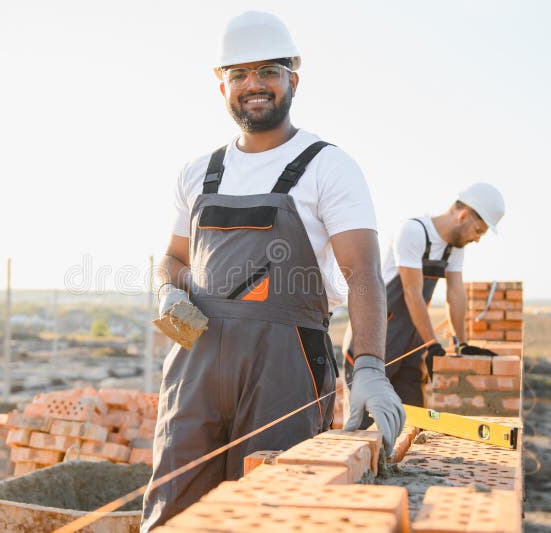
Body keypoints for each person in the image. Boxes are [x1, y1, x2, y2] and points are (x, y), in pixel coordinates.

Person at [142, 11, 404, 530]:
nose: (253, 85)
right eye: (238, 74)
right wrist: (167, 293)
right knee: (172, 509)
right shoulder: (199, 172)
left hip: (284, 367)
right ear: (222, 85)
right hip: (195, 365)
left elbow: (363, 274)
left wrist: (369, 366)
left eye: (267, 71)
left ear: (292, 80)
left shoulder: (328, 165)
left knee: (273, 513)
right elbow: (171, 260)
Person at [343, 183, 506, 416]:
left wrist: (462, 343)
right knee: (367, 420)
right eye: (478, 231)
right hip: (376, 339)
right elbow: (412, 294)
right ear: (463, 215)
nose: (478, 239)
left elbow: (456, 293)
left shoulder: (454, 248)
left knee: (414, 418)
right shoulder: (413, 232)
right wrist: (433, 345)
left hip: (411, 340)